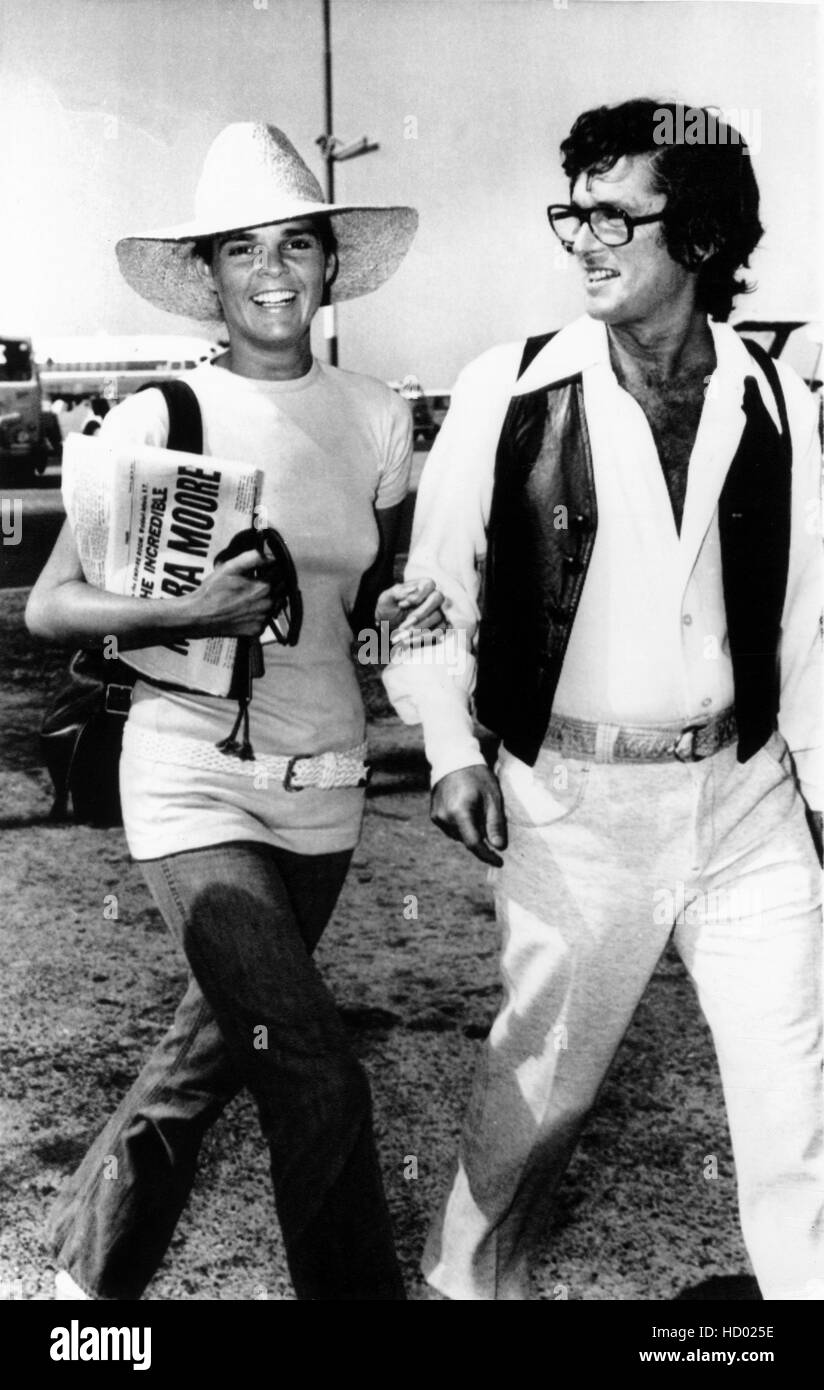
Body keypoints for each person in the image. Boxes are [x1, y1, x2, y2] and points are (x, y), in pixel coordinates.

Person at [384, 98, 823, 1301]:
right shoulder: (508, 387)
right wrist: (443, 747)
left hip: (744, 807)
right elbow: (431, 593)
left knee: (796, 1114)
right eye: (568, 210)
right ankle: (466, 1283)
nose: (580, 237)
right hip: (573, 803)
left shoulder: (775, 399)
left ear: (697, 237)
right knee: (537, 1092)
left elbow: (805, 628)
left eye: (609, 212)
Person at [26, 121, 442, 1301]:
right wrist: (184, 610)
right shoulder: (158, 416)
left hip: (326, 787)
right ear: (207, 278)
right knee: (312, 1064)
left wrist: (404, 616)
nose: (271, 270)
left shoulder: (374, 415)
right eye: (242, 249)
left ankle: (78, 1284)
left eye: (296, 245)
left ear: (327, 265)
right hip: (190, 776)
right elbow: (52, 608)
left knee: (206, 1055)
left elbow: (367, 600)